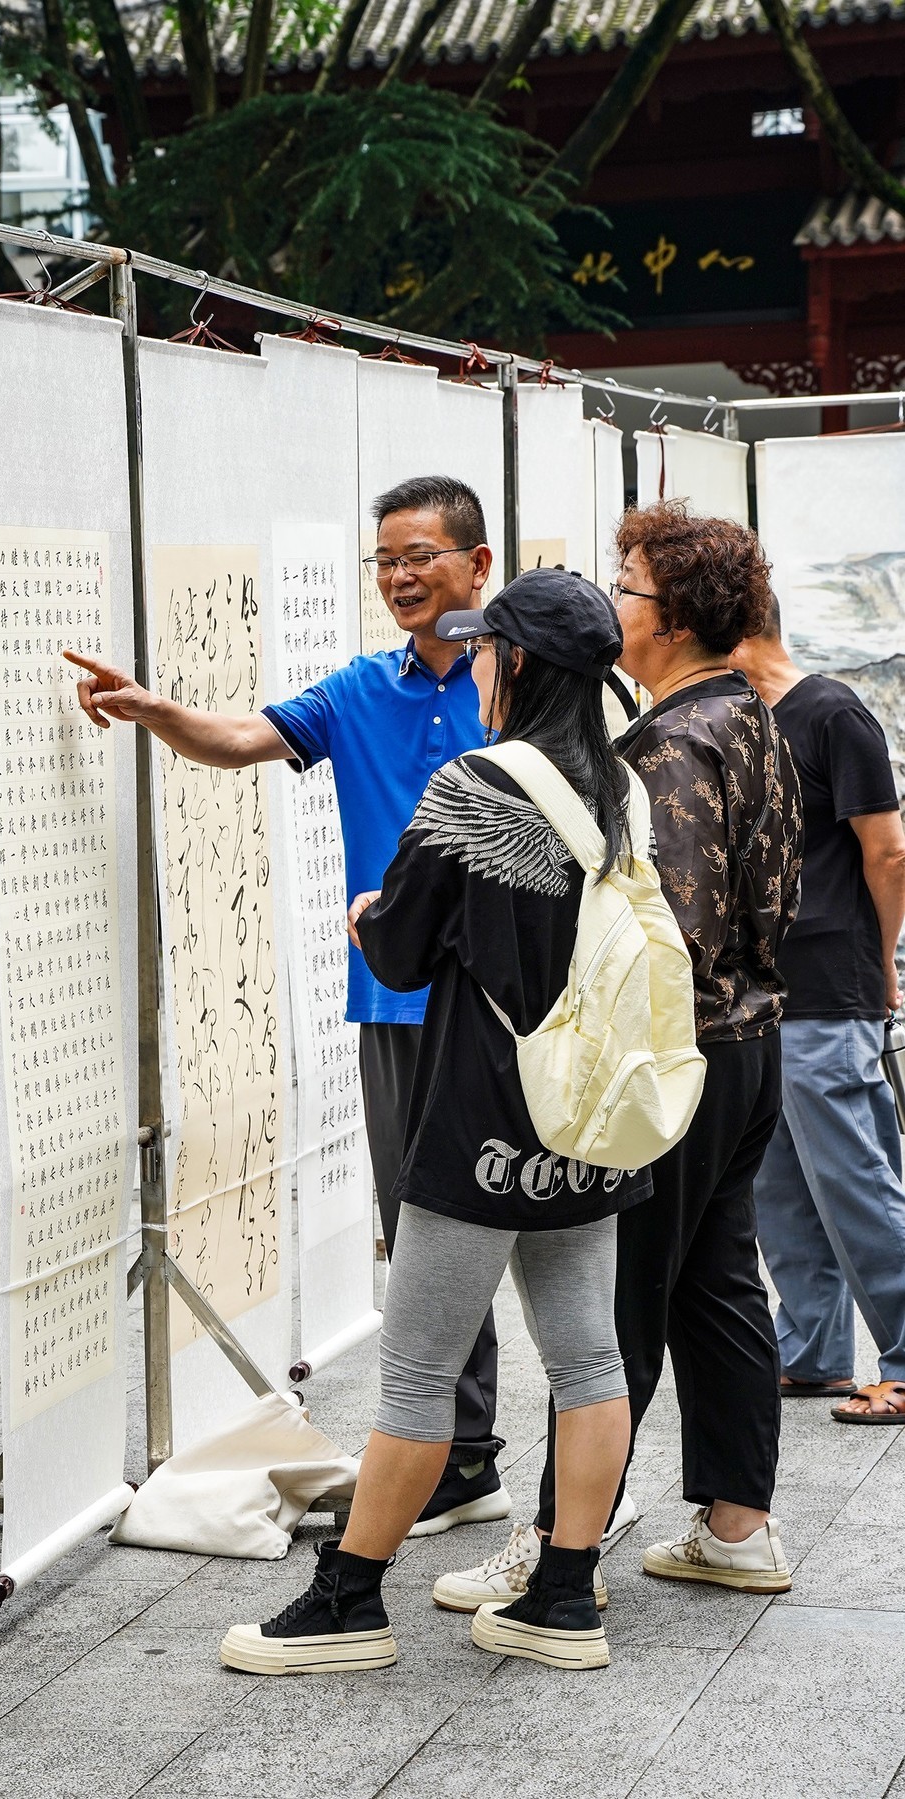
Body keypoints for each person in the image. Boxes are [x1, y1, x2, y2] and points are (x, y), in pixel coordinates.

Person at [218, 569, 651, 1677]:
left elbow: (402, 948)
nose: (481, 664)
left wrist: (369, 912)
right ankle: (564, 1594)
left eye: (492, 648)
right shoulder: (622, 787)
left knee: (415, 1373)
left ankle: (348, 1602)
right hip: (589, 1120)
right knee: (588, 1356)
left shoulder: (478, 784)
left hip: (478, 1122)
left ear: (519, 662)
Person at [65, 476, 511, 1533]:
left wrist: (495, 646)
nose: (402, 576)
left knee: (524, 1228)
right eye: (387, 560)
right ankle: (463, 1452)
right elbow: (236, 739)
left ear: (477, 564)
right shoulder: (360, 689)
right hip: (397, 1000)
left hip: (511, 1000)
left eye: (423, 556)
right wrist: (154, 708)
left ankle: (490, 1457)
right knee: (419, 1227)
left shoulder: (522, 675)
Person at [437, 499, 804, 1612]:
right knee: (718, 1285)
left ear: (676, 614)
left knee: (619, 1306)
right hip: (746, 1046)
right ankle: (737, 1525)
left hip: (675, 1059)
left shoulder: (676, 744)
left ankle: (560, 1545)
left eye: (627, 586)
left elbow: (661, 939)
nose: (615, 605)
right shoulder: (745, 714)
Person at [733, 602, 905, 1424]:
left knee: (856, 1180)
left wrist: (880, 967)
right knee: (781, 1187)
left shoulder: (832, 711)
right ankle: (813, 1353)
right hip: (762, 993)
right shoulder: (742, 722)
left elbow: (890, 849)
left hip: (831, 987)